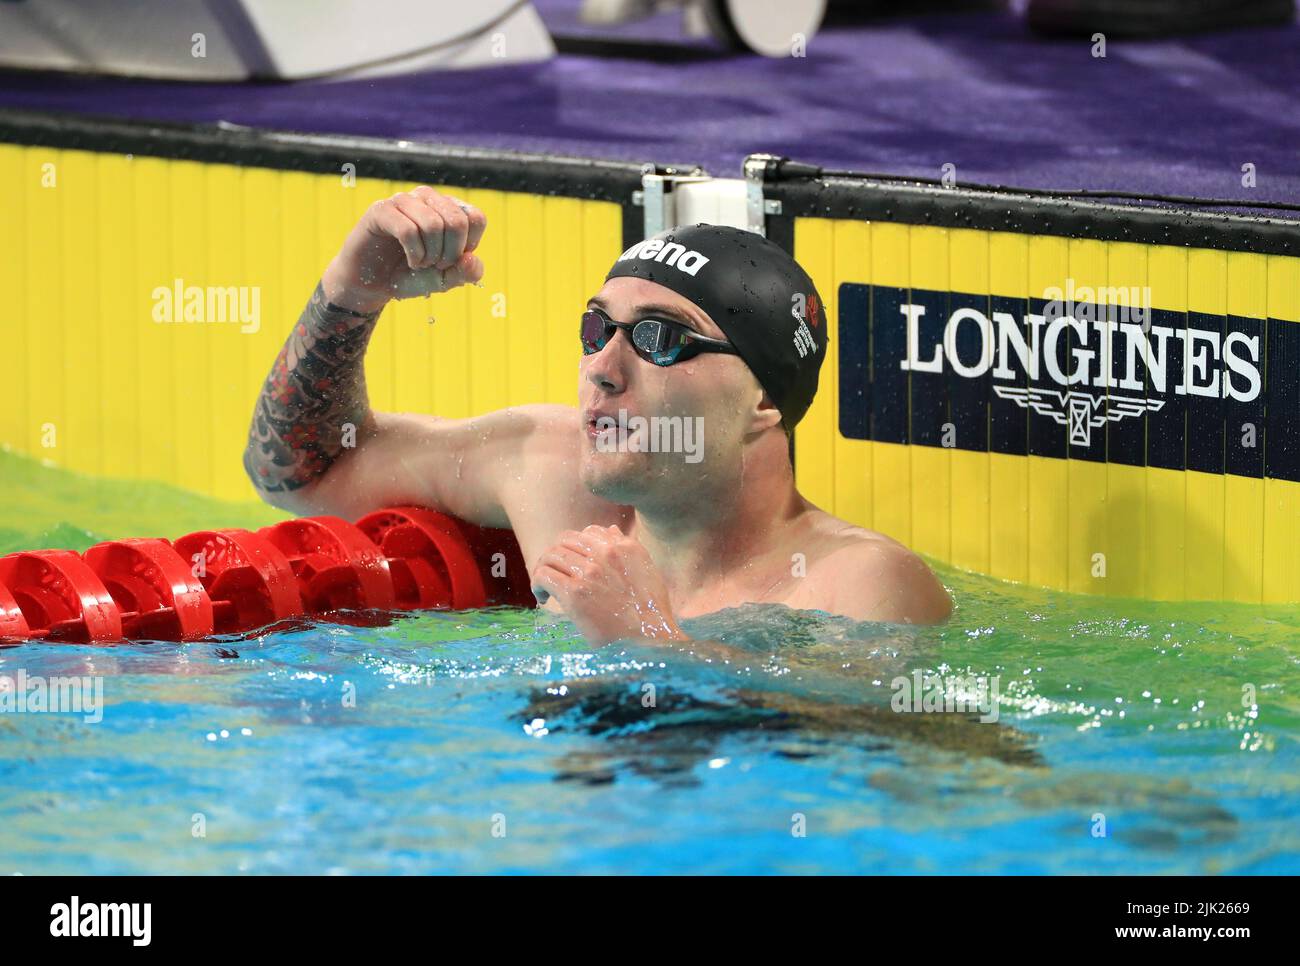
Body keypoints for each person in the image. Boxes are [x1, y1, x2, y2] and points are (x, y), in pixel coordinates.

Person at [243, 186, 951, 646]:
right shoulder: (549, 471)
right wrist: (353, 287)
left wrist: (649, 641)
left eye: (660, 338)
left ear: (763, 400)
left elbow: (909, 763)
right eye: (596, 329)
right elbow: (303, 470)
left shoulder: (858, 583)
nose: (602, 369)